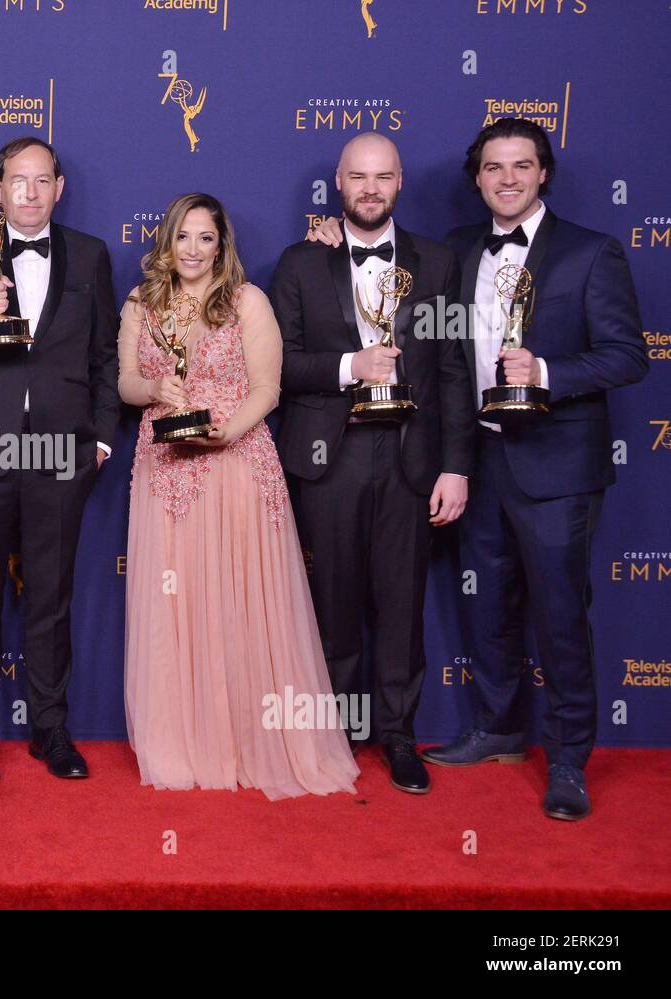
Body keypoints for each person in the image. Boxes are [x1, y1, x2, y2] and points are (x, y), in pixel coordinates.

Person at [425, 119, 646, 819]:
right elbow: (392, 281)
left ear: (543, 172)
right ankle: (498, 729)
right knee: (486, 610)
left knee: (558, 618)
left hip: (557, 465)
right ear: (478, 178)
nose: (508, 178)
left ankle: (571, 761)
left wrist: (548, 370)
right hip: (481, 460)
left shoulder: (591, 252)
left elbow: (628, 356)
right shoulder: (457, 250)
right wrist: (330, 239)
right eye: (494, 168)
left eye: (522, 165)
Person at [119, 192, 359, 797]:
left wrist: (229, 430)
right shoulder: (140, 303)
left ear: (222, 245)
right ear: (166, 241)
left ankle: (250, 741)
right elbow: (123, 382)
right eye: (183, 237)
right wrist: (154, 386)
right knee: (173, 609)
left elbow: (268, 387)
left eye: (207, 238)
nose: (194, 249)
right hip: (164, 466)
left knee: (237, 600)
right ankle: (182, 741)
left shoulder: (248, 301)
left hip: (236, 463)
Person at [271, 133, 474, 795]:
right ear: (338, 181)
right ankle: (337, 738)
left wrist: (456, 465)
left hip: (412, 458)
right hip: (332, 453)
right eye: (358, 176)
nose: (370, 188)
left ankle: (398, 736)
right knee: (333, 605)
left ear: (400, 182)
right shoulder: (301, 262)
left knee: (401, 606)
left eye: (382, 176)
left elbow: (451, 369)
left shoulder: (438, 263)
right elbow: (280, 366)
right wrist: (348, 367)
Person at [0, 137, 118, 784]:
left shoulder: (92, 255)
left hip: (63, 451)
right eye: (19, 180)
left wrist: (99, 439)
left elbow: (104, 357)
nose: (31, 192)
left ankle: (51, 728)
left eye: (43, 181)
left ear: (59, 188)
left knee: (52, 596)